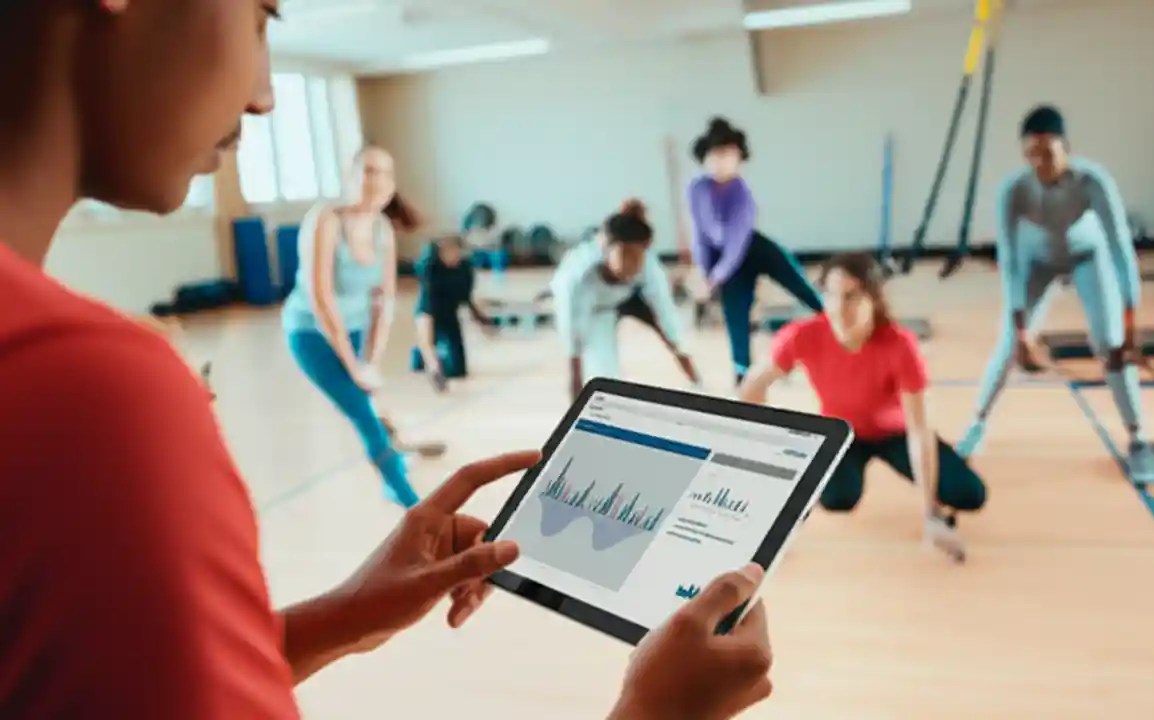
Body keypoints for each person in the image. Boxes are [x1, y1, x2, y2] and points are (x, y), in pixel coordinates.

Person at [0, 2, 774, 717]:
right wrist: (654, 714)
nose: (265, 94)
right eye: (262, 16)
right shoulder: (92, 389)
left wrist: (346, 615)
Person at [955, 105, 1154, 486]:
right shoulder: (1014, 190)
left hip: (1088, 256)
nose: (1040, 163)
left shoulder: (1093, 182)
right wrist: (1020, 331)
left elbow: (1119, 249)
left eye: (1048, 153)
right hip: (1037, 263)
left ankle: (1138, 440)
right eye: (1031, 154)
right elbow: (1010, 261)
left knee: (1110, 345)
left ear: (1066, 147)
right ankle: (977, 423)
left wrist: (1131, 318)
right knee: (1005, 348)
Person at [740, 253, 985, 561]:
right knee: (838, 498)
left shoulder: (899, 344)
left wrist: (930, 515)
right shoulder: (804, 335)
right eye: (831, 295)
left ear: (874, 299)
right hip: (843, 433)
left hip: (894, 434)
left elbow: (918, 431)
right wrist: (771, 447)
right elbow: (752, 386)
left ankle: (946, 488)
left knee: (970, 494)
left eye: (852, 297)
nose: (839, 309)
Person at [280, 146, 445, 508]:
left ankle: (392, 465)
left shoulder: (383, 229)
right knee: (362, 411)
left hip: (355, 329)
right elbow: (322, 300)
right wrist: (354, 367)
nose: (375, 180)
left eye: (384, 173)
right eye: (368, 170)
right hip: (312, 332)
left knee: (368, 402)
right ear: (350, 175)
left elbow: (382, 300)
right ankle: (408, 499)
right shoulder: (325, 220)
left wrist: (370, 359)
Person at [687, 117, 824, 385]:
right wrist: (704, 272)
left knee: (799, 284)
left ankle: (831, 318)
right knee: (735, 314)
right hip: (720, 258)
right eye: (716, 154)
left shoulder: (742, 194)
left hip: (750, 249)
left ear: (739, 158)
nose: (721, 161)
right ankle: (742, 375)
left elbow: (737, 243)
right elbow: (700, 234)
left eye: (728, 154)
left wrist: (715, 278)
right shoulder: (697, 189)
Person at [551, 199, 701, 398]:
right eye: (625, 255)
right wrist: (575, 395)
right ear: (607, 249)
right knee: (604, 372)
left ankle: (698, 382)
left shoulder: (649, 267)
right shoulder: (577, 275)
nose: (632, 264)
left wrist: (692, 372)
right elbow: (572, 342)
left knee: (671, 332)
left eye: (637, 257)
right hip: (595, 306)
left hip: (631, 295)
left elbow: (666, 315)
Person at [411, 234, 496, 389]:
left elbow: (466, 298)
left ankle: (432, 359)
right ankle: (426, 360)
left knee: (459, 371)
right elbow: (427, 307)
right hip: (429, 311)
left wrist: (482, 320)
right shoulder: (430, 269)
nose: (454, 255)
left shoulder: (465, 269)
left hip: (450, 313)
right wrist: (434, 366)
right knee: (428, 344)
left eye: (456, 251)